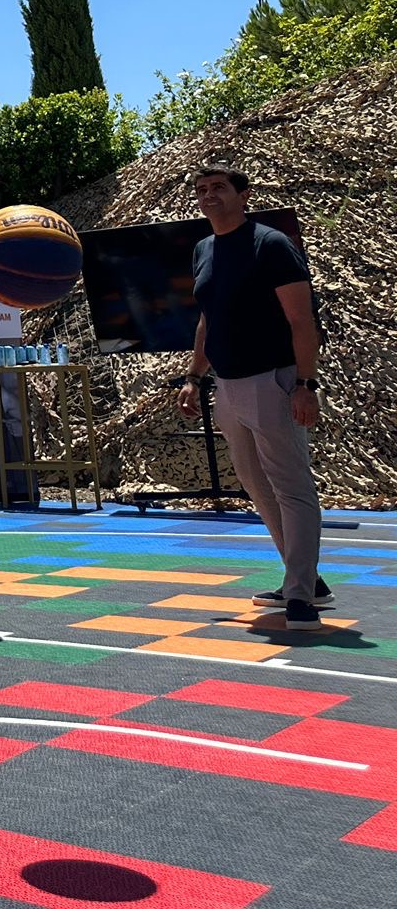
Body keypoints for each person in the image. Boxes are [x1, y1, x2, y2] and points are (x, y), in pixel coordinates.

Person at [181, 163, 329, 631]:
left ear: (243, 195)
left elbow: (301, 320)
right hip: (228, 384)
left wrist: (306, 384)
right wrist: (193, 376)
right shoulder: (203, 249)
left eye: (219, 188)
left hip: (274, 380)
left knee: (292, 487)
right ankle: (304, 580)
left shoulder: (271, 244)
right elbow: (207, 318)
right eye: (202, 190)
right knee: (256, 485)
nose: (209, 196)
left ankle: (302, 597)